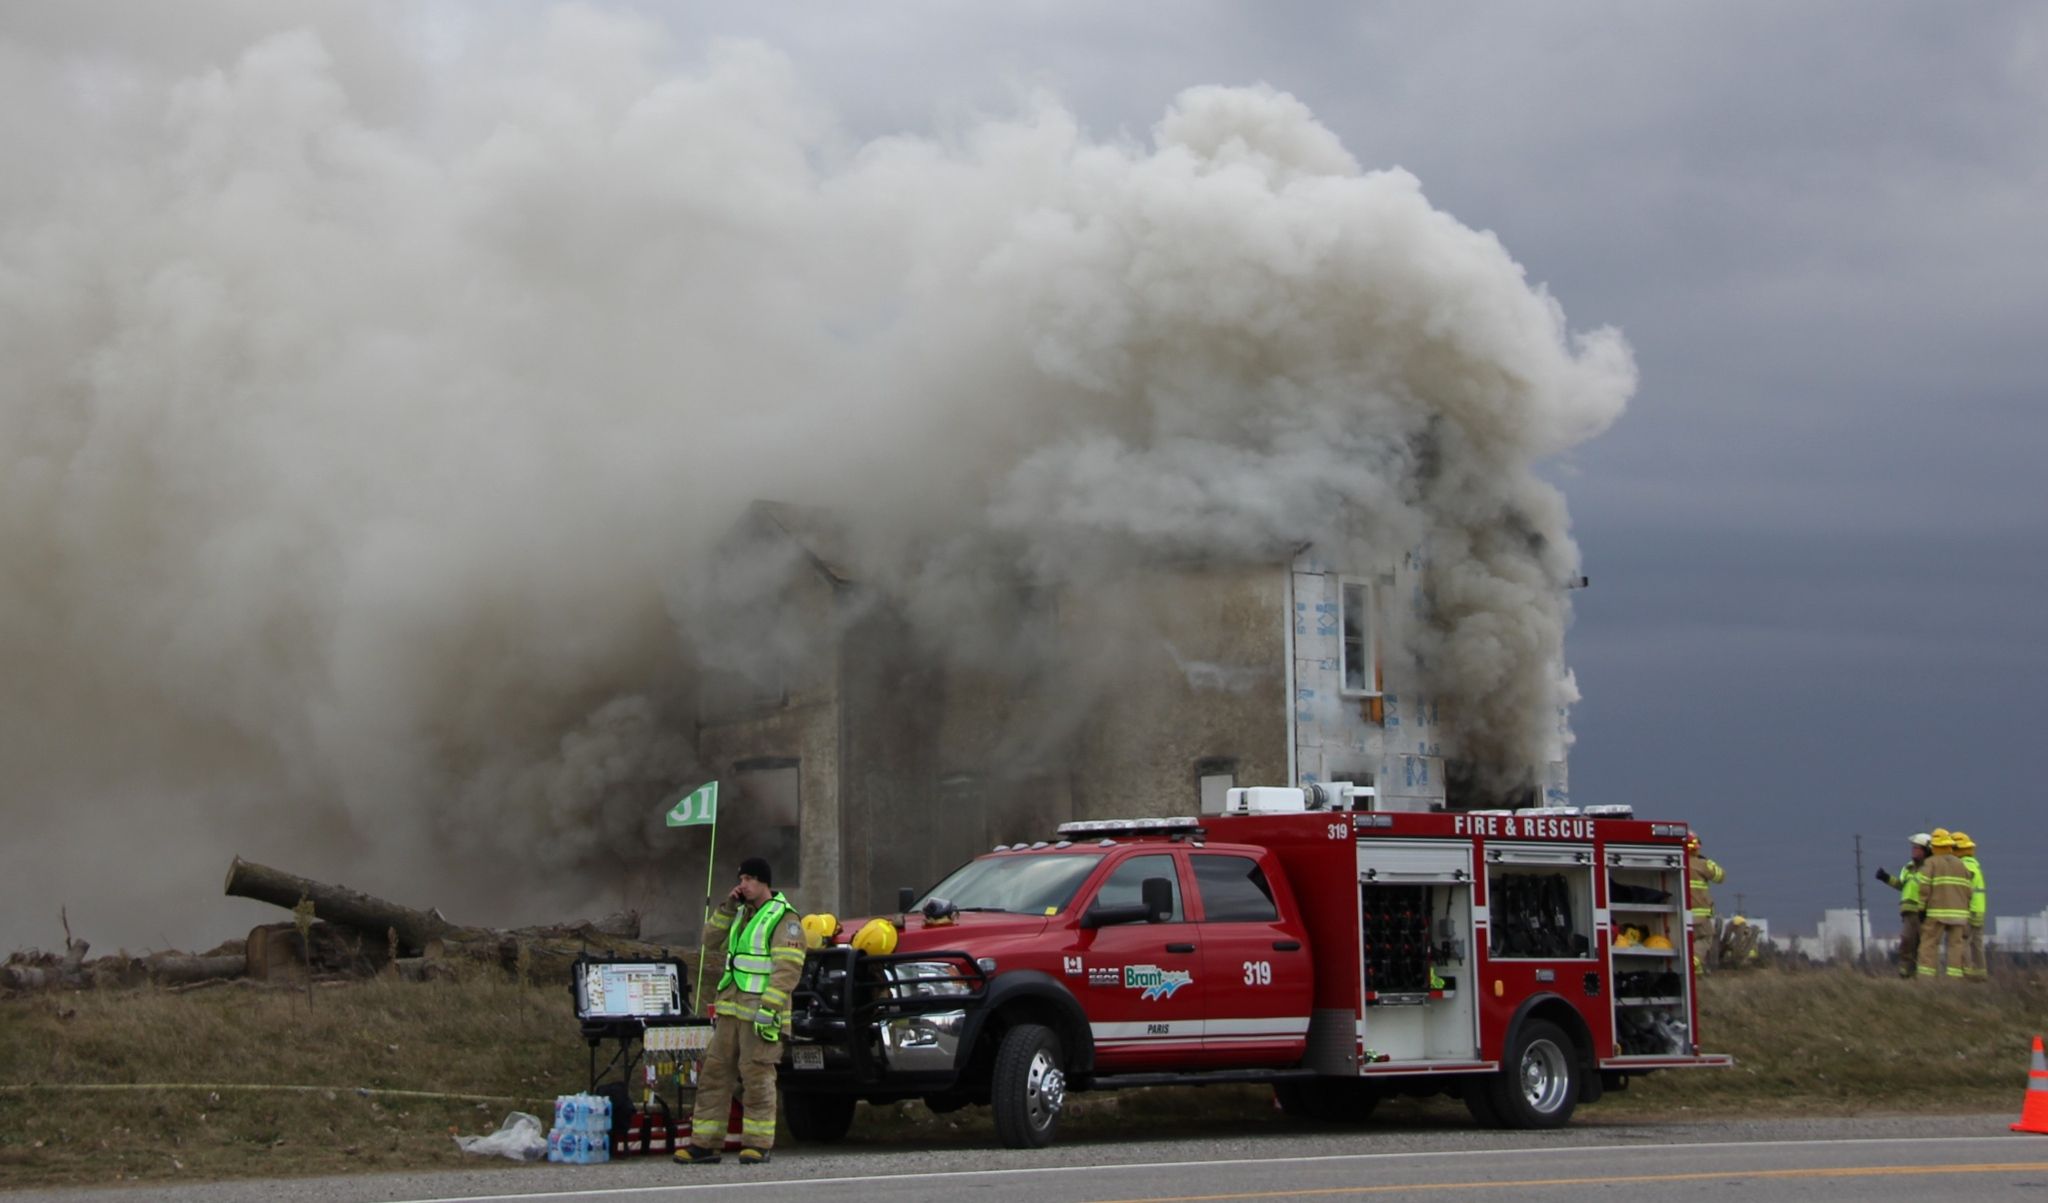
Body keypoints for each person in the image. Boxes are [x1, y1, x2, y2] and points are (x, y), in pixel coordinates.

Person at [676, 857, 805, 1166]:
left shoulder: (784, 918)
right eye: (741, 879)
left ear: (764, 882)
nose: (743, 884)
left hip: (760, 1015)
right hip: (731, 1011)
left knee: (757, 1077)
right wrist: (726, 908)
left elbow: (787, 969)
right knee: (714, 1075)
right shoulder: (739, 913)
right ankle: (704, 1144)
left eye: (749, 879)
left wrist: (769, 1008)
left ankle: (757, 1144)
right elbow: (709, 939)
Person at [1916, 832, 1971, 981]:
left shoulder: (1931, 863)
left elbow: (1924, 887)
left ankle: (1926, 979)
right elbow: (1969, 890)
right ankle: (1954, 980)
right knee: (1955, 947)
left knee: (1929, 944)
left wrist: (1921, 908)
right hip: (1959, 914)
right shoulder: (1960, 864)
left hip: (1936, 912)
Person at [1876, 833, 1931, 978]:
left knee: (1924, 947)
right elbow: (1901, 885)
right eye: (1913, 847)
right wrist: (1886, 878)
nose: (1913, 851)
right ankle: (1906, 975)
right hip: (1908, 913)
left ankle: (1924, 978)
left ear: (1927, 850)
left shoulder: (1930, 869)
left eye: (1917, 848)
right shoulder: (1908, 867)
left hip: (1923, 914)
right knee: (1906, 944)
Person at [1686, 833, 1724, 973]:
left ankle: (1695, 974)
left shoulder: (1675, 861)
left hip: (1678, 915)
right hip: (1699, 915)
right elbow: (1720, 876)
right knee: (1706, 938)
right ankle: (1693, 962)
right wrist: (1708, 862)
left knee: (1686, 942)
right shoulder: (1701, 864)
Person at [1953, 831, 1988, 981]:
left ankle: (1967, 972)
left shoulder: (1965, 865)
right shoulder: (1974, 864)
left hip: (1969, 909)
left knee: (1963, 941)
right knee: (1977, 944)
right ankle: (1980, 973)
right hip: (1979, 910)